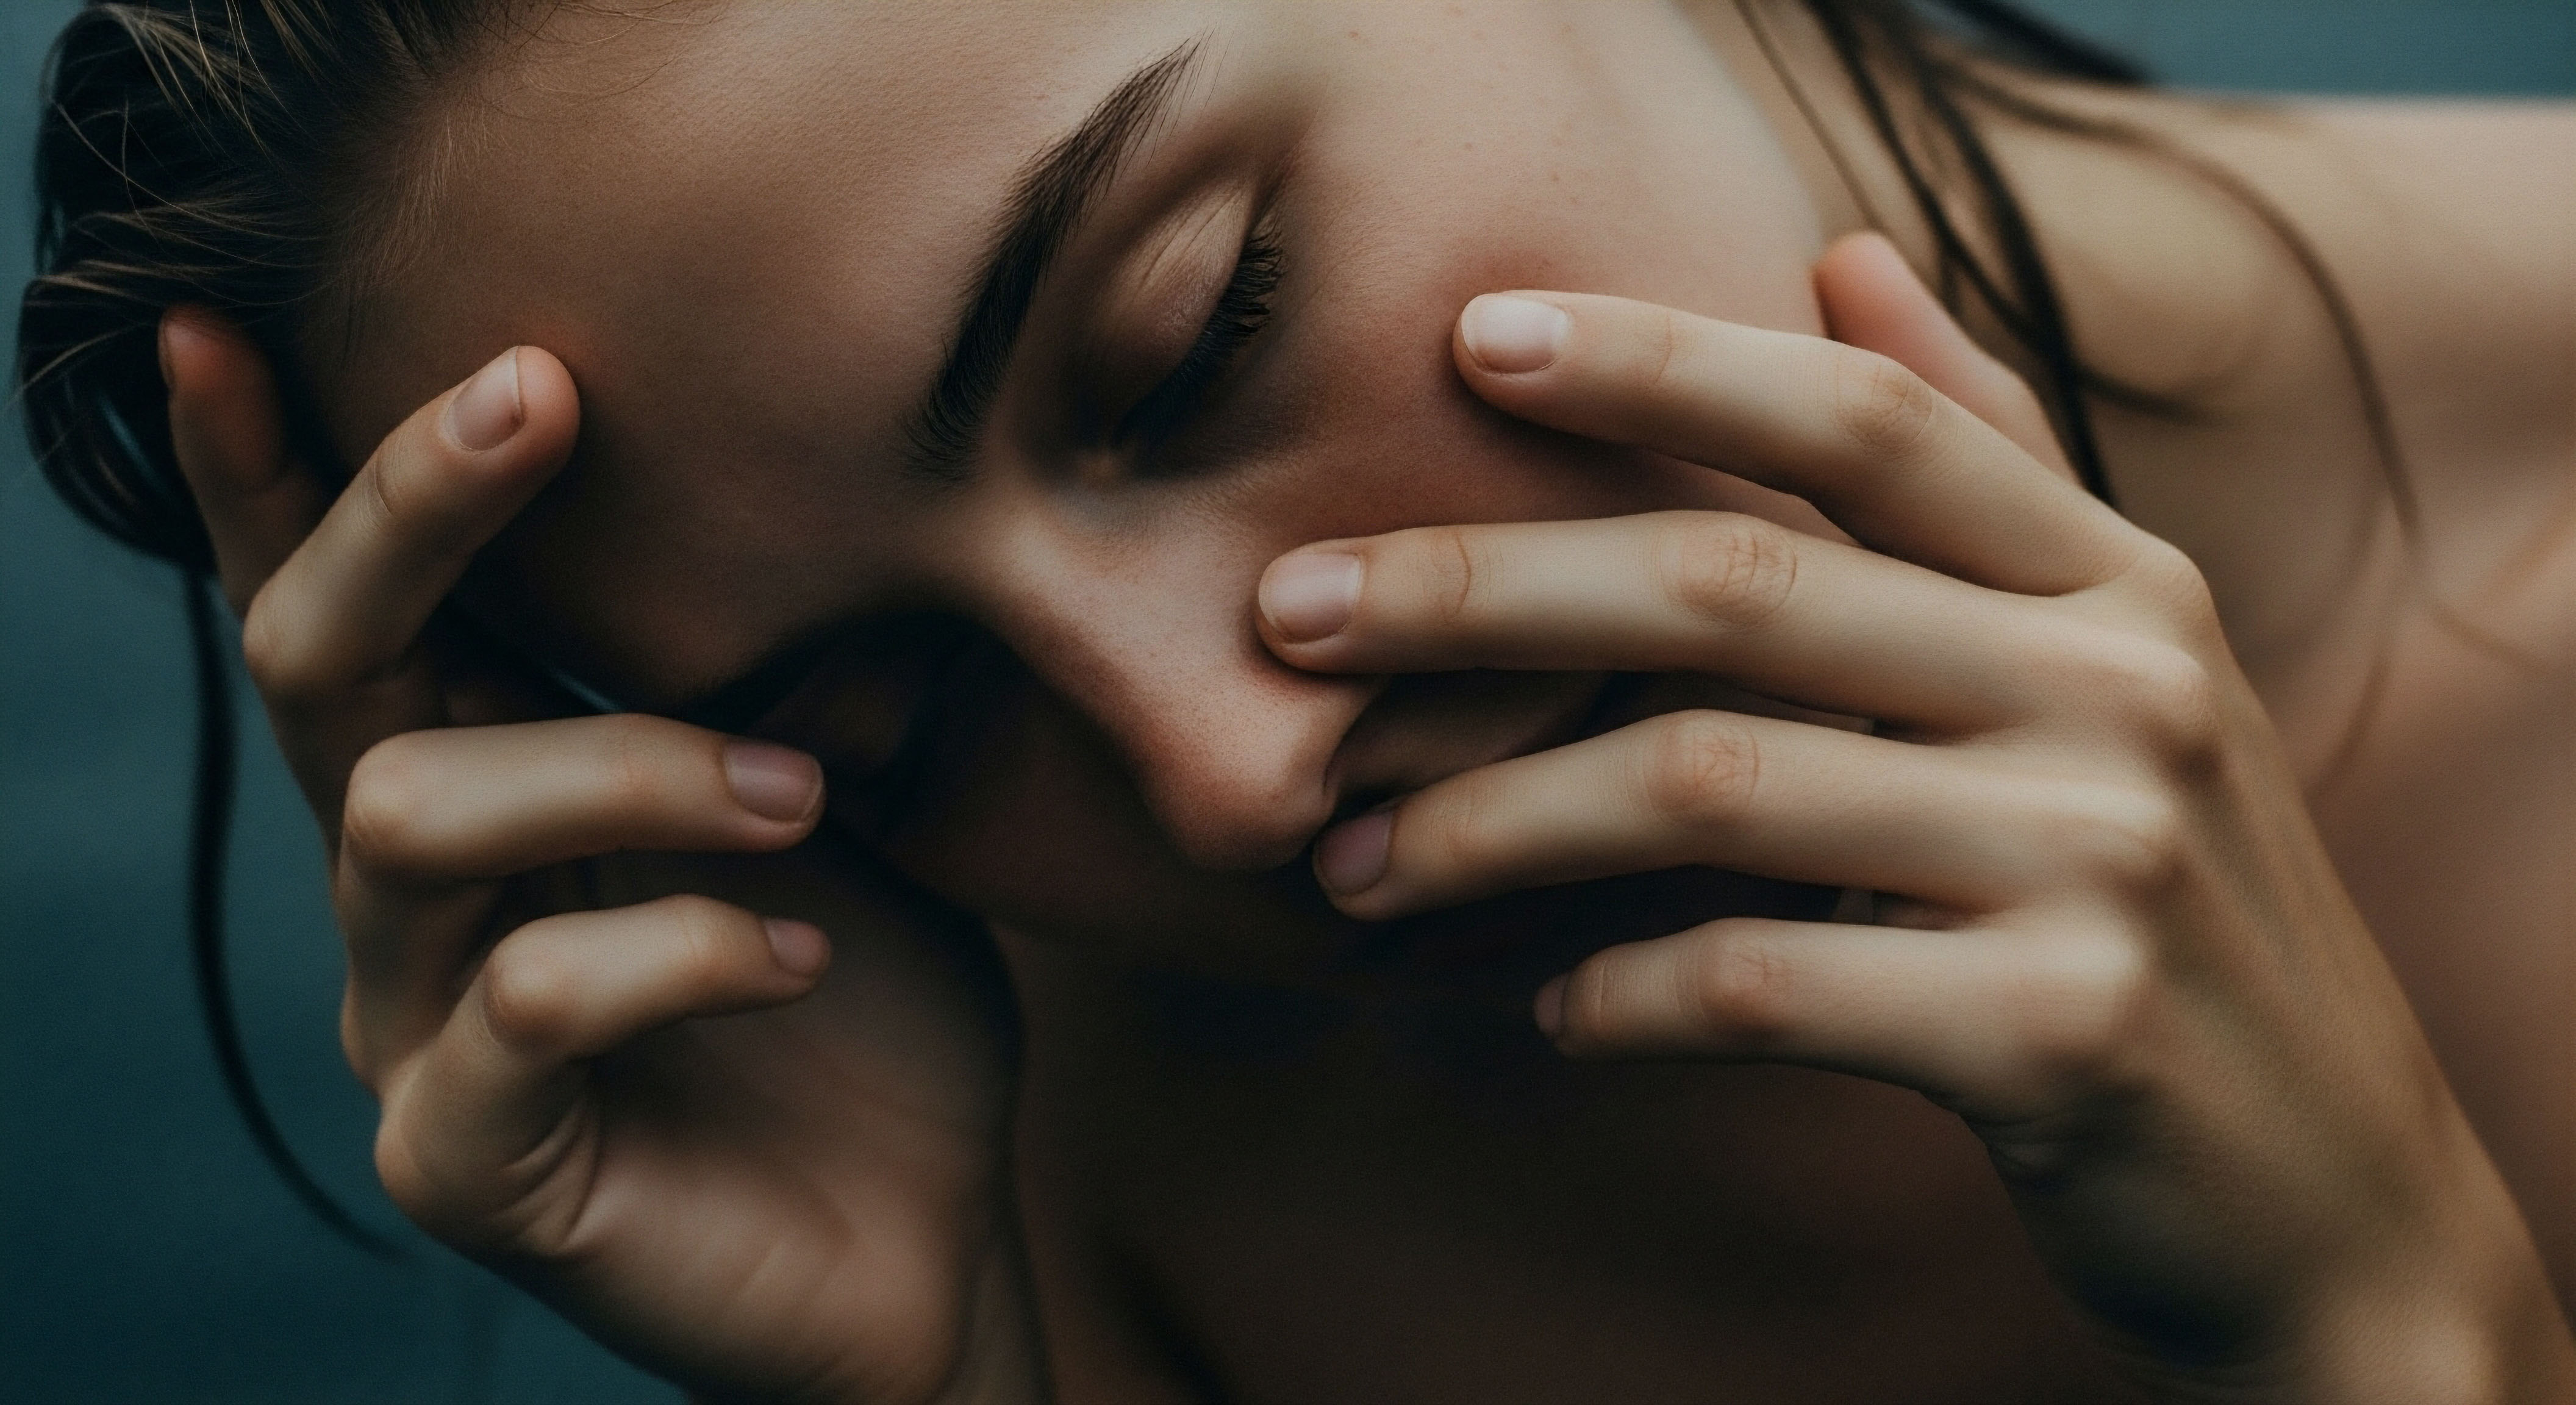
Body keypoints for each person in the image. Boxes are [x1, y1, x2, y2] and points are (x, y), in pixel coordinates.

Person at [17, 1, 2572, 1400]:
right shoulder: (1002, 1141)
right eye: (902, 730)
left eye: (1192, 329)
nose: (1227, 776)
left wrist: (2400, 1333)